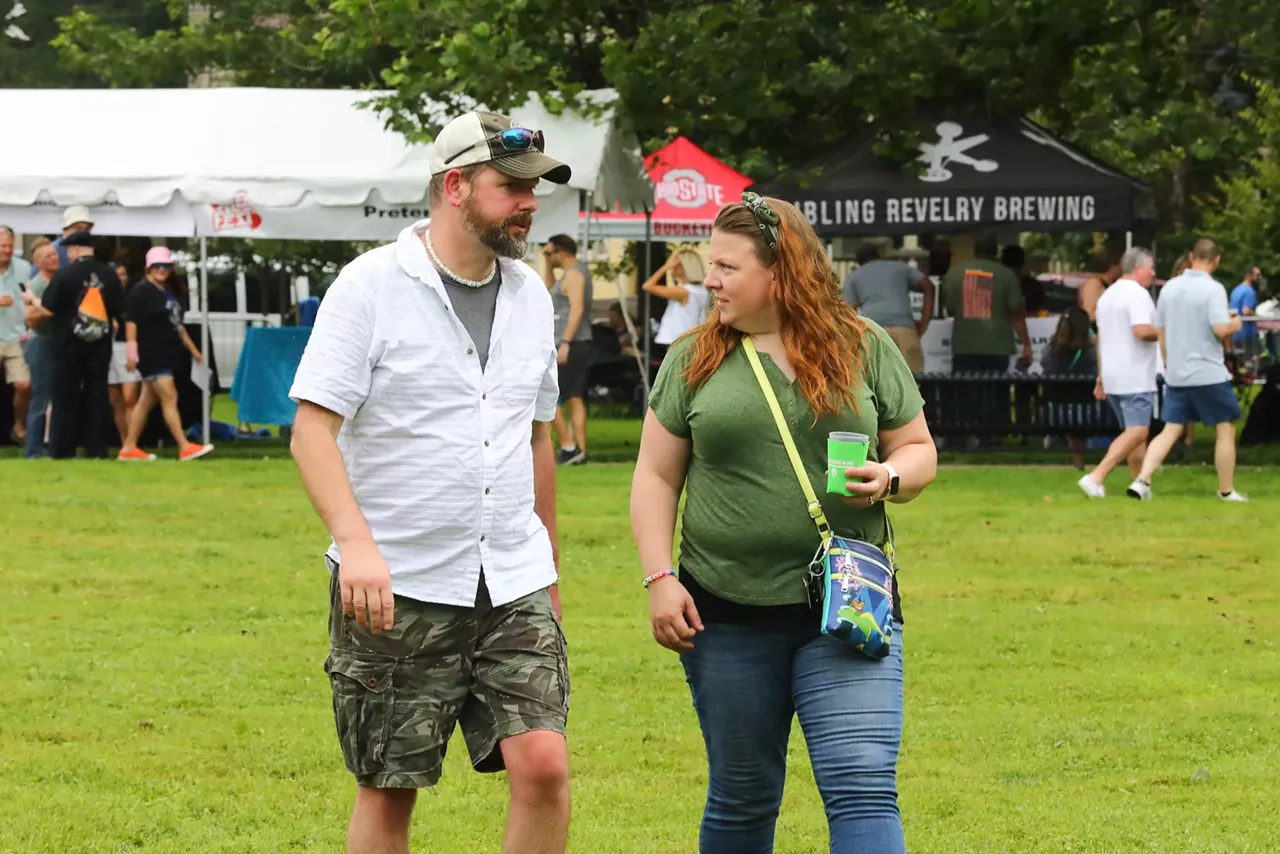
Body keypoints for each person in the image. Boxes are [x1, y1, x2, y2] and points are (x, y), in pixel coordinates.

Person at [287, 110, 573, 854]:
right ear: (455, 186)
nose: (529, 203)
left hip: (512, 577)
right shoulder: (370, 286)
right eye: (511, 187)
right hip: (396, 581)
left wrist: (546, 566)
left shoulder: (531, 295)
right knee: (391, 789)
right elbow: (312, 431)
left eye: (534, 189)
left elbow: (536, 436)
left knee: (544, 765)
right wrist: (355, 544)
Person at [631, 194, 936, 854]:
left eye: (727, 267)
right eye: (712, 265)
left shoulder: (863, 344)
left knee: (862, 784)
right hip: (724, 613)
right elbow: (655, 476)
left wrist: (890, 476)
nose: (711, 280)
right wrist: (659, 577)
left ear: (781, 270)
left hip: (848, 604)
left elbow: (917, 448)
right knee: (743, 793)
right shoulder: (693, 358)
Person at [1127, 239, 1247, 502]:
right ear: (1216, 260)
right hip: (1208, 372)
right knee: (1225, 427)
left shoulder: (1169, 288)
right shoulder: (1214, 289)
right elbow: (1220, 329)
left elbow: (1161, 332)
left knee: (1171, 429)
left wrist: (1168, 364)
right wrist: (1236, 324)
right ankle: (1226, 490)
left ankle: (1142, 480)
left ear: (1191, 257)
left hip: (1178, 372)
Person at [24, 229, 125, 459]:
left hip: (69, 345)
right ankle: (96, 448)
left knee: (65, 396)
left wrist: (32, 300)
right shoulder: (109, 274)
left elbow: (48, 310)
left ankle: (63, 448)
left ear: (75, 249)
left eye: (68, 250)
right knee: (97, 394)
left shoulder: (65, 274)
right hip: (100, 345)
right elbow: (120, 311)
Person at [116, 247, 213, 462]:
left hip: (167, 352)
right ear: (148, 267)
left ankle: (128, 447)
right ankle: (184, 446)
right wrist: (132, 354)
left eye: (166, 265)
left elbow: (177, 325)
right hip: (152, 353)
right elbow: (131, 323)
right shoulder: (140, 292)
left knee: (145, 402)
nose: (162, 269)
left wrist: (194, 350)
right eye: (157, 265)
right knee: (170, 397)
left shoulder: (166, 292)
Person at [1078, 247, 1161, 496]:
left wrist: (1101, 375)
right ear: (1138, 268)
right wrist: (1168, 330)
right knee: (1139, 431)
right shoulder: (1138, 295)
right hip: (1135, 374)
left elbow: (1101, 338)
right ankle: (1097, 476)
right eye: (1150, 268)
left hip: (1113, 374)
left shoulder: (1108, 295)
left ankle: (1140, 485)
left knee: (1132, 435)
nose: (1153, 273)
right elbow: (1142, 331)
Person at [940, 234, 1031, 373]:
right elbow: (1016, 314)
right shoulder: (1007, 275)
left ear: (974, 250)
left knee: (965, 386)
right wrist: (1026, 345)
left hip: (965, 345)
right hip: (998, 346)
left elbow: (950, 308)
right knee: (995, 386)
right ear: (995, 251)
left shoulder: (954, 274)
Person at [540, 233, 594, 465]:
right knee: (573, 396)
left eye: (549, 252)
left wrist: (566, 343)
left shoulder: (574, 275)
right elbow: (548, 288)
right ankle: (579, 450)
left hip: (571, 342)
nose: (547, 256)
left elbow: (577, 309)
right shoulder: (572, 273)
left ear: (560, 253)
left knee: (548, 393)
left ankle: (569, 445)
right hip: (575, 342)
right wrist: (546, 262)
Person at [842, 242, 934, 373]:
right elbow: (928, 286)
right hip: (904, 330)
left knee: (879, 379)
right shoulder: (899, 268)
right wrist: (924, 323)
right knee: (913, 378)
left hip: (874, 332)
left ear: (859, 261)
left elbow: (849, 311)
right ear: (878, 255)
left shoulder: (854, 277)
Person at [1039, 305, 1096, 469]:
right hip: (1088, 412)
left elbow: (1046, 369)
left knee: (1072, 416)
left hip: (1056, 412)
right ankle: (1080, 459)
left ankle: (1076, 458)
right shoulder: (1091, 352)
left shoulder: (1051, 350)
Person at [20, 238, 59, 457]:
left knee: (56, 398)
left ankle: (53, 446)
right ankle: (34, 449)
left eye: (54, 254)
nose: (54, 258)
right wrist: (48, 311)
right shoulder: (36, 286)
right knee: (40, 398)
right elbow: (30, 320)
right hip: (41, 343)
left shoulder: (58, 282)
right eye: (48, 256)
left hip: (57, 343)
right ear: (37, 262)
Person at [643, 248, 711, 363]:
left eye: (675, 264)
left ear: (683, 267)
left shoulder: (684, 292)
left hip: (672, 340)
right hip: (686, 340)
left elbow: (647, 286)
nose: (672, 267)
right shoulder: (700, 291)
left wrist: (665, 267)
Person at [0, 225, 33, 444]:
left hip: (16, 335)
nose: (7, 250)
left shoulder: (24, 267)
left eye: (10, 246)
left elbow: (30, 295)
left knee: (24, 385)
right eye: (3, 246)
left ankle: (18, 426)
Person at [107, 260, 141, 444]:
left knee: (129, 398)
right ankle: (124, 442)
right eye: (117, 275)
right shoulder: (103, 296)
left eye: (123, 274)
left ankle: (132, 442)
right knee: (116, 401)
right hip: (107, 348)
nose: (121, 278)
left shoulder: (132, 297)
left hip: (125, 346)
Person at [1078, 249, 1121, 323]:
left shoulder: (1111, 284)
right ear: (1113, 266)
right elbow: (1089, 314)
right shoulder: (1094, 284)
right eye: (1120, 264)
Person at [1229, 266, 1261, 360]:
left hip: (1235, 333)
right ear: (1249, 276)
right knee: (1253, 362)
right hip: (1248, 334)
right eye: (1257, 275)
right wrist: (1257, 316)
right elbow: (1246, 311)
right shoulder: (1249, 291)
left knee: (1239, 362)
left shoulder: (1236, 290)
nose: (1259, 278)